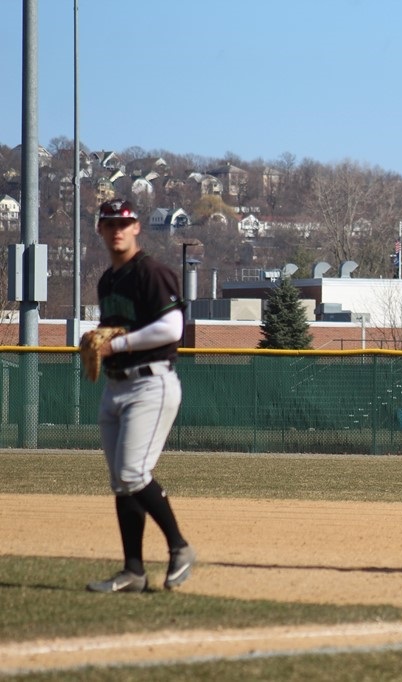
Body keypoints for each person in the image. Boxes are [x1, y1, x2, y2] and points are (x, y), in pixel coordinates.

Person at [85, 199, 196, 593]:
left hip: (151, 383)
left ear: (136, 229)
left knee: (133, 473)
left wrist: (117, 346)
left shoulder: (152, 272)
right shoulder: (107, 281)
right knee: (121, 481)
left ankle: (180, 547)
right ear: (100, 230)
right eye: (109, 223)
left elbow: (171, 328)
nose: (116, 229)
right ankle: (132, 570)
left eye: (123, 223)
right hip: (115, 386)